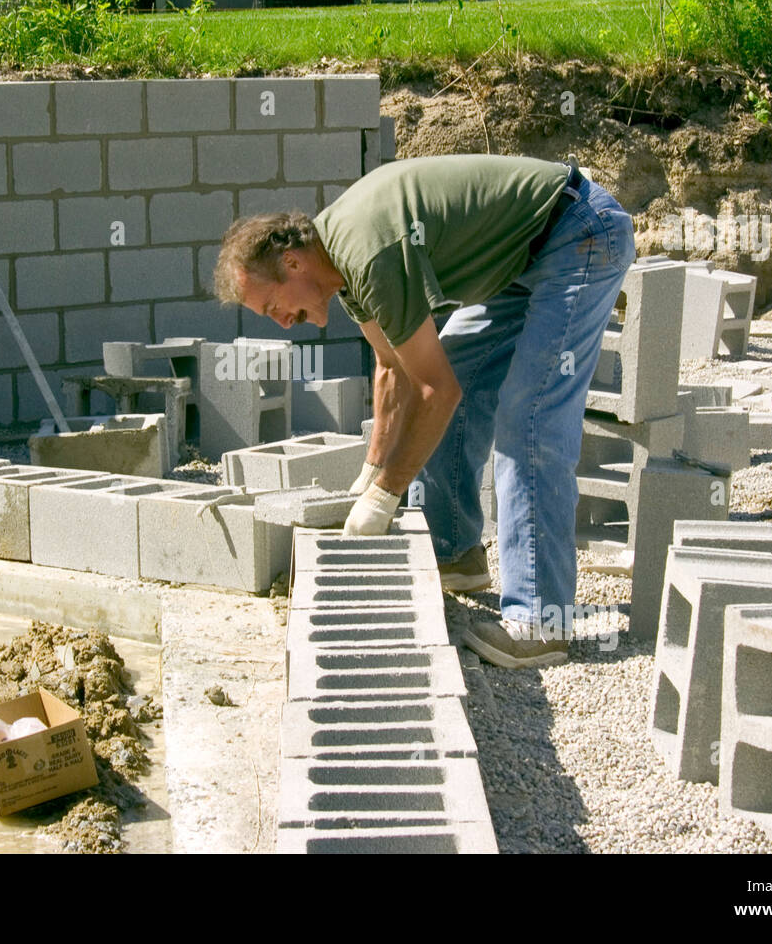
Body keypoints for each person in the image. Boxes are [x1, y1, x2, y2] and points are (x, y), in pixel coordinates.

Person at [210, 154, 637, 668]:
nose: (281, 324)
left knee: (529, 417)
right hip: (520, 258)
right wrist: (370, 473)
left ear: (294, 264)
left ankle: (541, 622)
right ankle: (455, 551)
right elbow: (392, 369)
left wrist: (386, 494)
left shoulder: (370, 256)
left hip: (576, 233)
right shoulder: (339, 264)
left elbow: (436, 391)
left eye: (272, 305)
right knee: (456, 365)